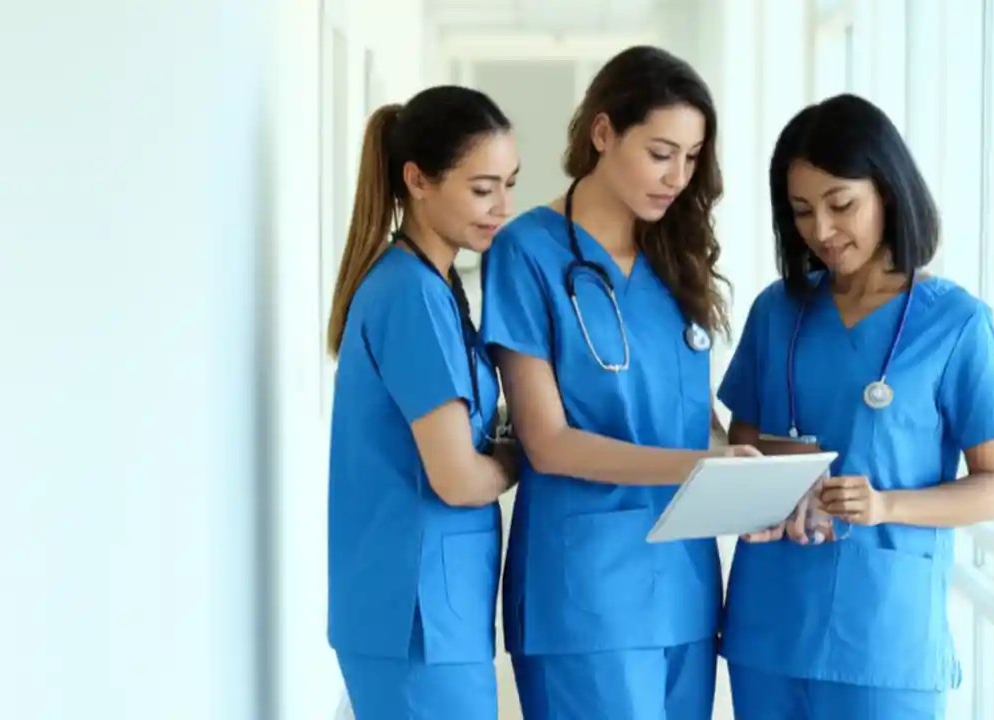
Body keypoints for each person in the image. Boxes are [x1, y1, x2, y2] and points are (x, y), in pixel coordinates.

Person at [716, 93, 994, 720]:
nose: (822, 232)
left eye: (841, 204)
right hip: (772, 622)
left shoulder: (956, 324)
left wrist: (886, 505)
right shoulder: (777, 312)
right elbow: (739, 451)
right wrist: (770, 484)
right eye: (802, 211)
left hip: (887, 632)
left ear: (888, 189)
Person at [479, 45, 758, 719]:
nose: (677, 177)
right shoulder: (529, 252)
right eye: (661, 152)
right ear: (603, 133)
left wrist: (751, 473)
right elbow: (547, 443)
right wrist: (699, 464)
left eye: (692, 159)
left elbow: (696, 422)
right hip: (586, 593)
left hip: (685, 586)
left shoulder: (677, 257)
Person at [325, 85, 520, 720]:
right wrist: (526, 455)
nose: (502, 207)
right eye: (482, 188)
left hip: (432, 611)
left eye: (508, 186)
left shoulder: (432, 286)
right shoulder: (410, 294)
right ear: (418, 180)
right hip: (414, 616)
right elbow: (459, 478)